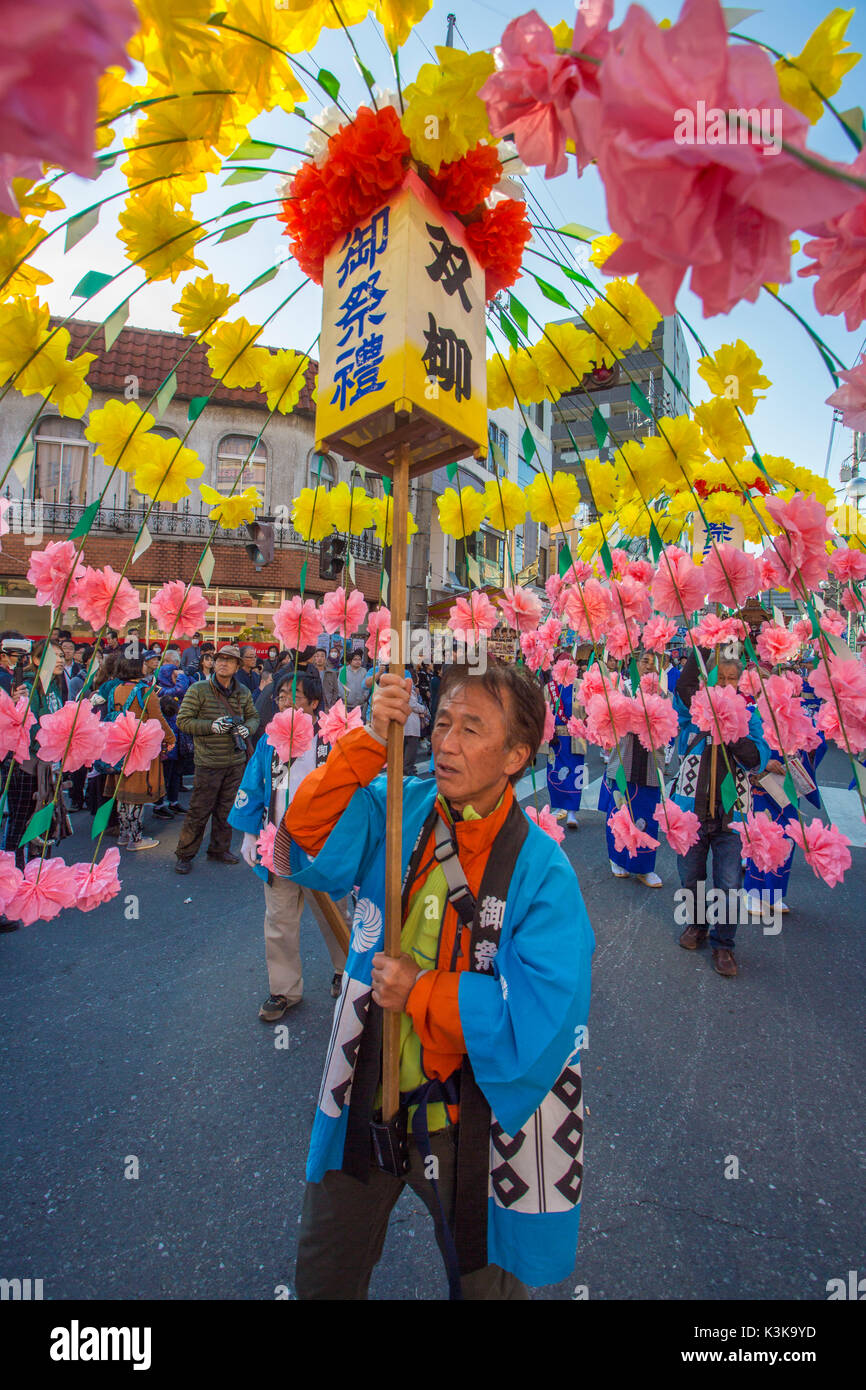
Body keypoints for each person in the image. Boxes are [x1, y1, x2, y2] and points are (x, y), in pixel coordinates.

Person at [274, 661, 594, 1300]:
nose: (445, 743)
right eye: (442, 722)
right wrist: (367, 739)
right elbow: (300, 841)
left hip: (471, 1125)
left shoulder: (543, 871)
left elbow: (542, 1019)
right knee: (323, 1277)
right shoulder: (401, 804)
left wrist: (422, 992)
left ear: (516, 757)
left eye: (472, 729)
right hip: (366, 1093)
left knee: (486, 1289)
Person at [229, 669, 349, 1020]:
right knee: (279, 919)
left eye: (294, 695)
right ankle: (283, 990)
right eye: (281, 695)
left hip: (323, 848)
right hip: (278, 845)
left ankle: (345, 971)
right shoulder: (271, 741)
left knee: (336, 915)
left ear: (314, 703)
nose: (286, 700)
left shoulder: (331, 740)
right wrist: (250, 833)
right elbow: (254, 785)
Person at [672, 652, 769, 978]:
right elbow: (683, 686)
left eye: (731, 678)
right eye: (718, 677)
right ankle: (697, 925)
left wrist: (734, 731)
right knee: (690, 876)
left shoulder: (751, 714)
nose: (725, 684)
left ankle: (724, 943)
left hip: (732, 816)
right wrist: (698, 645)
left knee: (729, 885)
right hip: (692, 814)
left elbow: (758, 756)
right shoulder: (694, 710)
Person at [174, 645, 259, 874]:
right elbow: (183, 721)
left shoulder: (242, 692)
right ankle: (185, 854)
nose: (223, 663)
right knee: (199, 810)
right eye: (219, 659)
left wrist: (246, 729)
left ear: (237, 666)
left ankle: (219, 849)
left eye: (229, 661)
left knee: (227, 810)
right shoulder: (199, 689)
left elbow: (253, 717)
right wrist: (210, 727)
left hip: (235, 760)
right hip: (208, 761)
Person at [598, 651, 666, 886]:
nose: (648, 665)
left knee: (647, 816)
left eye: (652, 662)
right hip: (624, 758)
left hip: (650, 763)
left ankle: (644, 867)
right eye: (644, 661)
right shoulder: (622, 687)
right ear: (633, 664)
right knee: (620, 812)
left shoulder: (662, 691)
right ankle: (616, 858)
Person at [108, 657, 176, 851]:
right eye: (145, 665)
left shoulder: (116, 689)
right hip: (141, 746)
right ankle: (136, 838)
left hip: (119, 745)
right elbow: (158, 718)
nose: (148, 667)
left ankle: (124, 833)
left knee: (122, 791)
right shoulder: (146, 692)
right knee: (137, 792)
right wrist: (171, 739)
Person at [545, 650, 586, 831]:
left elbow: (587, 711)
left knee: (575, 772)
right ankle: (559, 806)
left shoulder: (582, 686)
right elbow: (544, 711)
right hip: (556, 737)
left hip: (575, 737)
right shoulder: (549, 687)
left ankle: (572, 811)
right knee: (555, 772)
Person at [309, 647, 341, 711]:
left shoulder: (332, 673)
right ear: (314, 658)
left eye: (322, 656)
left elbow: (336, 690)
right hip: (312, 706)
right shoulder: (309, 672)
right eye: (317, 656)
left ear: (325, 659)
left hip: (327, 706)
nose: (319, 658)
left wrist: (332, 704)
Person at [340, 647, 367, 712]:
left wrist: (364, 696)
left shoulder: (364, 671)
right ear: (350, 661)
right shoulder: (343, 670)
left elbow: (366, 685)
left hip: (360, 704)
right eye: (355, 659)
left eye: (359, 659)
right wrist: (345, 697)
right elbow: (340, 685)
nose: (358, 661)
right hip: (347, 704)